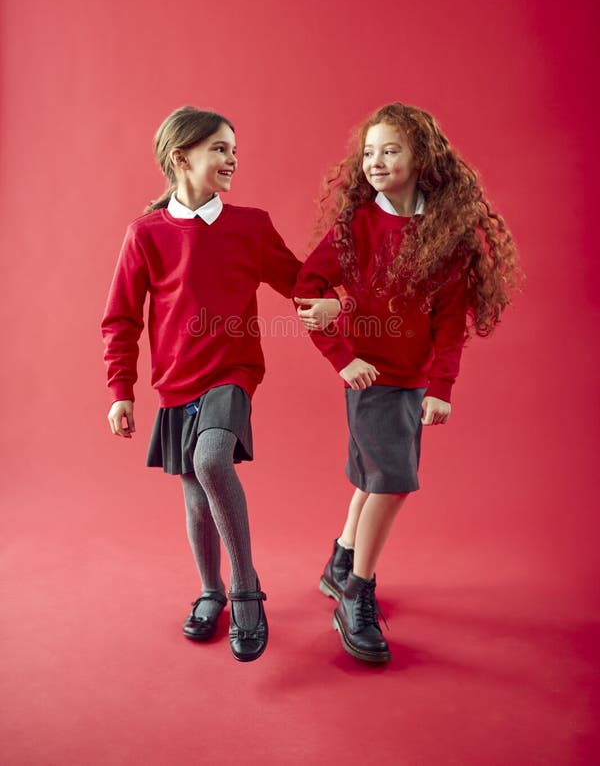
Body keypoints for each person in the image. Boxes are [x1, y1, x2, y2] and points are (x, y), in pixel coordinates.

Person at [101, 105, 336, 662]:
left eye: (234, 149)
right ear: (181, 157)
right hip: (175, 382)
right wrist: (120, 392)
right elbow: (121, 319)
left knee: (210, 461)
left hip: (233, 371)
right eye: (220, 149)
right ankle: (211, 591)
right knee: (195, 502)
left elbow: (297, 280)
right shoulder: (145, 235)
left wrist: (329, 298)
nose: (232, 159)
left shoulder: (250, 225)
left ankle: (245, 588)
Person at [294, 102, 520, 664]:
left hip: (412, 381)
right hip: (370, 379)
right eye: (368, 152)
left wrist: (441, 387)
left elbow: (450, 320)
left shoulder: (446, 235)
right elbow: (308, 289)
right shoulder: (356, 227)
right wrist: (342, 358)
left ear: (421, 158)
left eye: (389, 150)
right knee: (392, 484)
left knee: (375, 479)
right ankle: (356, 591)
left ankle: (340, 562)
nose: (375, 161)